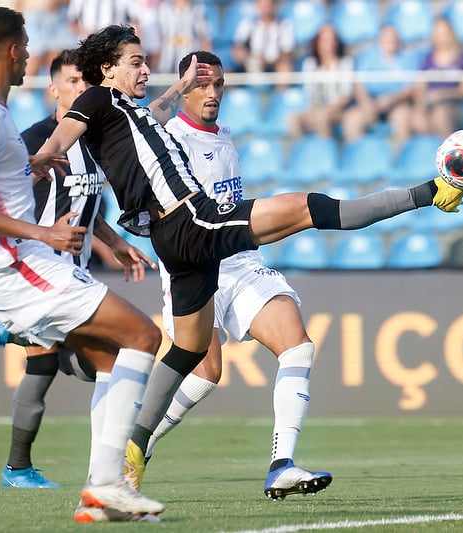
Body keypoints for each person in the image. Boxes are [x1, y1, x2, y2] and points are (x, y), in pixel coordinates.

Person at [34, 24, 463, 506]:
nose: (144, 68)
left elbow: (151, 114)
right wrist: (43, 157)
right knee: (314, 209)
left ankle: (129, 456)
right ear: (107, 68)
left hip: (175, 242)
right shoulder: (98, 99)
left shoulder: (130, 112)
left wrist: (179, 87)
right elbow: (62, 138)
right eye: (135, 61)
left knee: (188, 353)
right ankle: (432, 191)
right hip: (193, 219)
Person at [0, 7, 164, 521]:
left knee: (111, 359)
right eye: (26, 46)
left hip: (15, 262)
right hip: (15, 263)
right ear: (13, 50)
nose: (29, 58)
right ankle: (107, 485)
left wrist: (31, 165)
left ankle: (101, 493)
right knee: (145, 337)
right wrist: (46, 231)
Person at [138, 50, 332, 500]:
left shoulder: (224, 133)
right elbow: (143, 123)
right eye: (202, 84)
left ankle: (281, 464)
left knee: (298, 347)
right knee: (205, 373)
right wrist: (177, 88)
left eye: (218, 84)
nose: (212, 93)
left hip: (240, 263)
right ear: (185, 87)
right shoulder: (167, 134)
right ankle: (139, 442)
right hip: (193, 266)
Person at [341, 25, 416, 146]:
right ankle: (357, 156)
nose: (391, 42)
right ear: (380, 40)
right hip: (370, 102)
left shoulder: (407, 59)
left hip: (397, 103)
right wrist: (366, 104)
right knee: (352, 119)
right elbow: (359, 84)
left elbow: (410, 89)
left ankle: (398, 158)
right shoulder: (368, 58)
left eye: (394, 38)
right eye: (387, 38)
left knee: (403, 118)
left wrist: (390, 100)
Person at [410, 18, 463, 139]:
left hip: (455, 106)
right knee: (413, 118)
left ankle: (448, 152)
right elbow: (419, 87)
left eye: (445, 33)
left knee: (441, 114)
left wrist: (441, 95)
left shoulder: (462, 58)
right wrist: (419, 106)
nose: (442, 38)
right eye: (438, 34)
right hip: (430, 105)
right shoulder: (428, 58)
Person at [288, 23, 354, 139]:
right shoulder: (310, 65)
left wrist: (327, 110)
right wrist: (314, 111)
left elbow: (346, 95)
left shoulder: (345, 63)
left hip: (339, 110)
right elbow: (310, 94)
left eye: (331, 40)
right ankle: (301, 151)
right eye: (324, 40)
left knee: (322, 117)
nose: (328, 44)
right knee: (293, 119)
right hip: (317, 108)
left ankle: (326, 152)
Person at [230, 0, 295, 74]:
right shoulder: (248, 24)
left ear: (274, 5)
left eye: (268, 4)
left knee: (284, 68)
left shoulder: (284, 25)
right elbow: (237, 49)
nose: (265, 8)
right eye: (262, 5)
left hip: (275, 64)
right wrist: (249, 57)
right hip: (252, 62)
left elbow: (287, 52)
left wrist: (269, 61)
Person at [157, 0, 212, 74]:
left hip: (190, 55)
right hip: (168, 59)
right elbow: (160, 36)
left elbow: (204, 37)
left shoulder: (198, 8)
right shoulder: (165, 8)